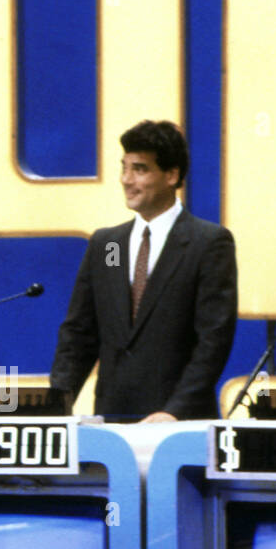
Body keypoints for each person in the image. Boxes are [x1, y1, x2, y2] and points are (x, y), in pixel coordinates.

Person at [49, 119, 237, 420]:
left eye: (140, 169)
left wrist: (174, 411)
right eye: (124, 168)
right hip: (112, 422)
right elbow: (80, 334)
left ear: (172, 175)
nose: (126, 179)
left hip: (177, 425)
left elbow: (213, 341)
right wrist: (54, 404)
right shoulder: (108, 246)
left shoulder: (207, 243)